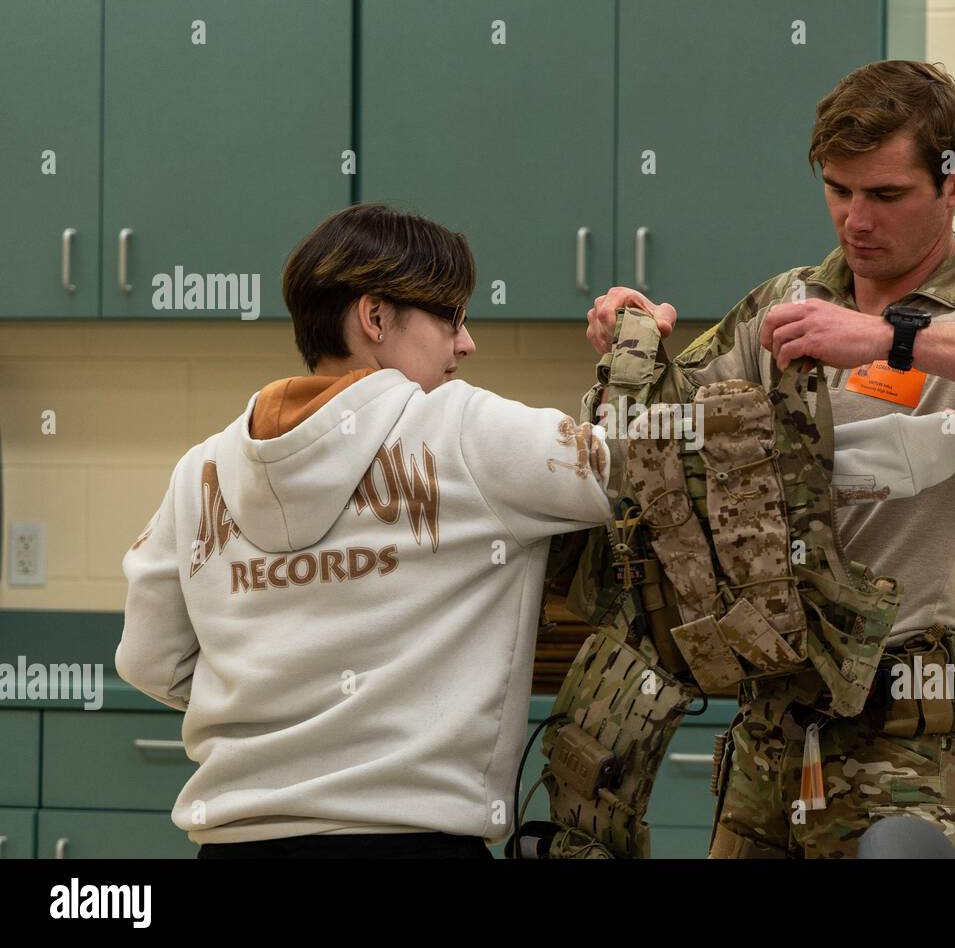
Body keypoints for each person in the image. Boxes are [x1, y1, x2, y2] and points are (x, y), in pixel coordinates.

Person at [577, 60, 955, 858]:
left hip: (907, 728)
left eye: (885, 195)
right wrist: (633, 339)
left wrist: (895, 336)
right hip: (772, 723)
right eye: (839, 191)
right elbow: (666, 439)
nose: (855, 220)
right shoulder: (789, 302)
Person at [115, 203, 614, 859]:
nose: (467, 343)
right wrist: (629, 347)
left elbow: (148, 661)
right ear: (374, 317)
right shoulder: (462, 429)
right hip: (413, 843)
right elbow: (639, 468)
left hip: (234, 843)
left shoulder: (200, 472)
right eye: (451, 317)